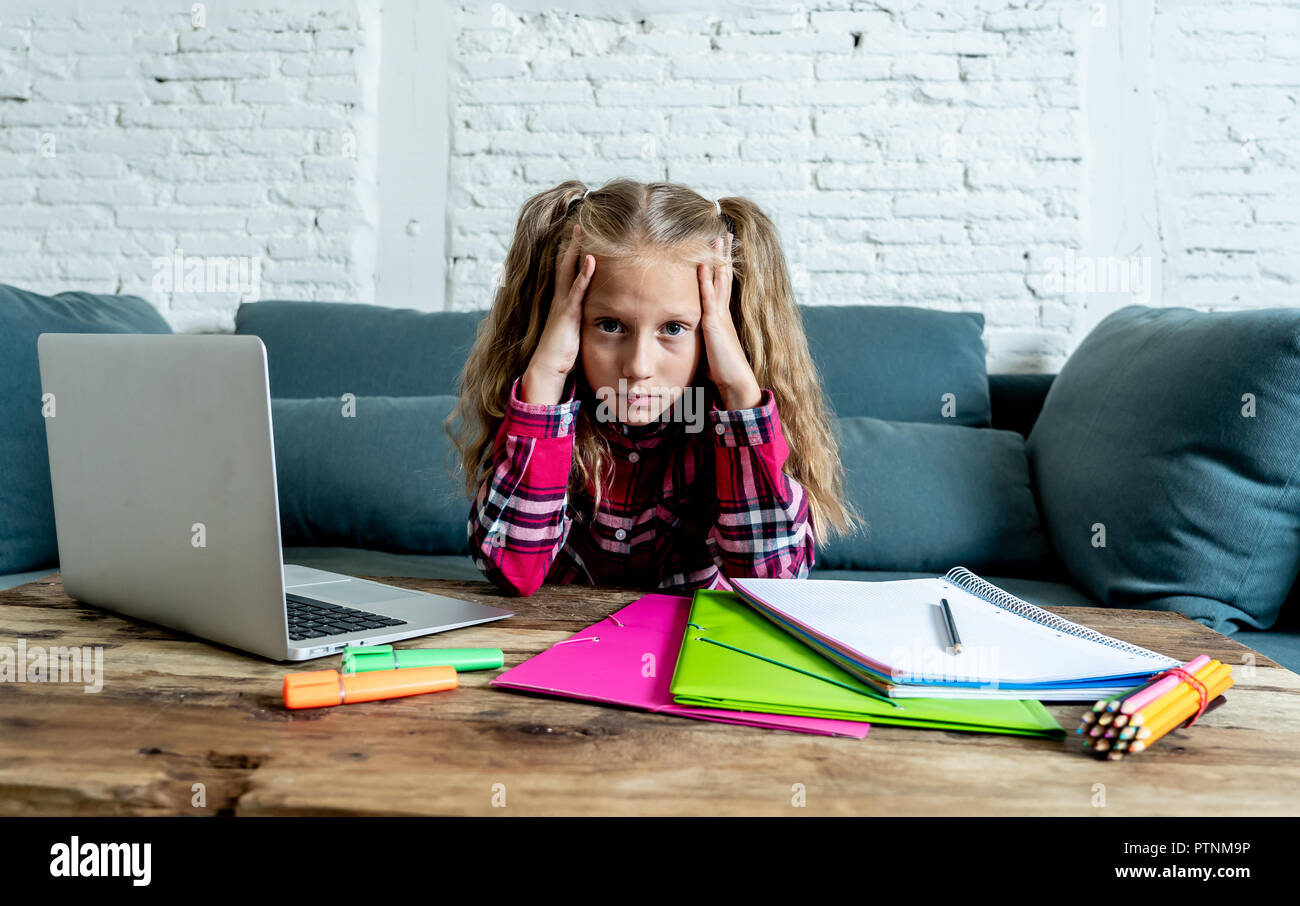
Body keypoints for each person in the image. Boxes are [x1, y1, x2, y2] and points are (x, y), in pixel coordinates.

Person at [448, 178, 862, 596]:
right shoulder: (550, 407)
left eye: (674, 328)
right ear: (568, 321)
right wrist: (547, 375)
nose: (639, 366)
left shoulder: (727, 418)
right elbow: (510, 571)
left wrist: (739, 390)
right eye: (610, 325)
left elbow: (774, 581)